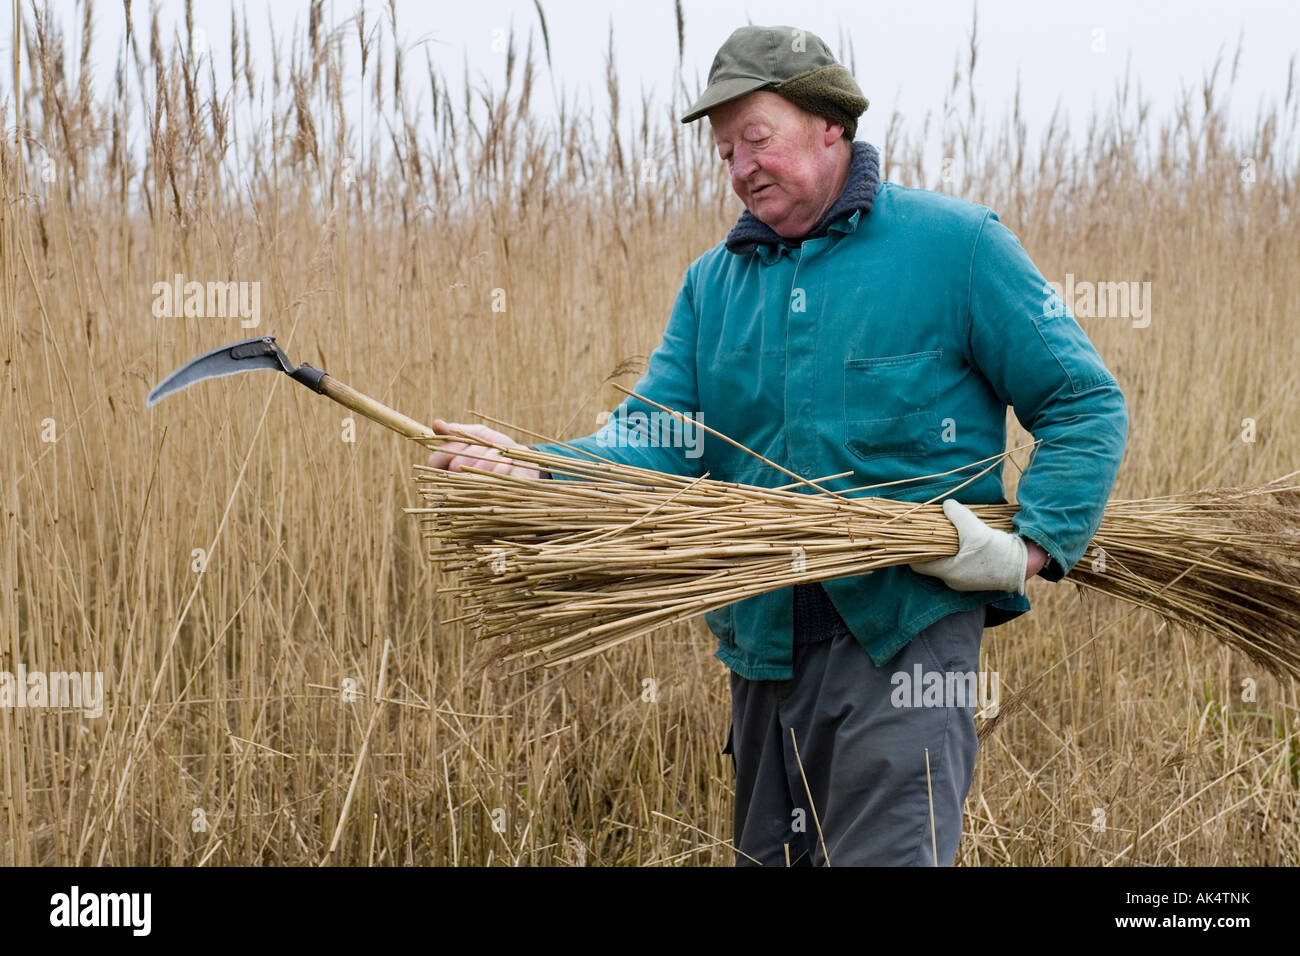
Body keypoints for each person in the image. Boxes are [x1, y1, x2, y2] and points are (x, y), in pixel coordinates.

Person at [426, 24, 1128, 866]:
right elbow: (659, 439)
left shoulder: (956, 248)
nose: (740, 168)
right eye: (725, 153)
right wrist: (534, 467)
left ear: (830, 122)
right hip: (762, 645)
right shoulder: (712, 286)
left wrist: (1028, 552)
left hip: (904, 637)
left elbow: (1083, 399)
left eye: (756, 139)